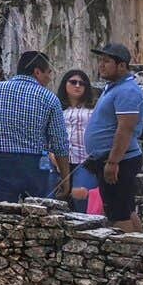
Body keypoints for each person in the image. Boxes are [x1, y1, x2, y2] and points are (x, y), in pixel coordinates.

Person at [0, 51, 70, 203]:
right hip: (36, 167)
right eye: (48, 73)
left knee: (0, 217)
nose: (50, 78)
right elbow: (60, 143)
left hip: (2, 162)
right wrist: (65, 177)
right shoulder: (50, 98)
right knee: (37, 217)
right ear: (37, 72)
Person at [82, 42, 143, 230]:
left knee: (118, 215)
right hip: (114, 160)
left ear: (122, 66)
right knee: (126, 210)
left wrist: (112, 162)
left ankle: (128, 256)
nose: (101, 65)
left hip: (120, 161)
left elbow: (125, 129)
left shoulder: (127, 91)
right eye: (101, 60)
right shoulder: (113, 87)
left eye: (107, 61)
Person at [57, 68, 98, 208]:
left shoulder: (94, 110)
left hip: (85, 161)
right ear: (65, 84)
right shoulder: (57, 108)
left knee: (82, 201)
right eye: (73, 82)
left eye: (82, 83)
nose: (77, 86)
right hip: (59, 162)